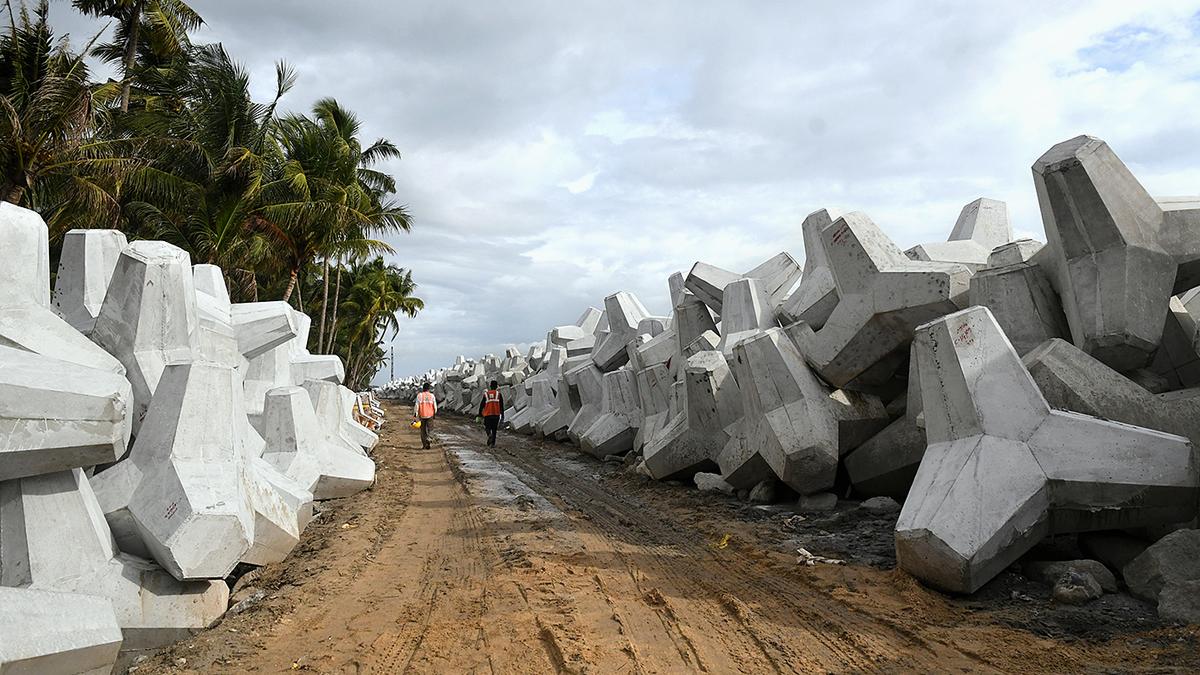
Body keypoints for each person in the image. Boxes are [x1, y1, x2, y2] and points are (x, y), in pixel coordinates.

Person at [478, 380, 504, 447]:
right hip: (496, 414)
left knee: (487, 427)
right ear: (496, 387)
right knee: (494, 429)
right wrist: (502, 415)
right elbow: (501, 406)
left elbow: (482, 405)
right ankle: (493, 443)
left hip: (488, 414)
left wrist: (480, 414)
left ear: (490, 386)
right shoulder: (499, 394)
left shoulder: (486, 394)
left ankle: (489, 435)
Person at [414, 382, 437, 449]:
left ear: (423, 388)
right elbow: (435, 406)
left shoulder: (419, 395)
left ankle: (424, 445)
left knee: (423, 430)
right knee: (430, 429)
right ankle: (429, 439)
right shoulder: (432, 396)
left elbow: (416, 406)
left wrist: (415, 414)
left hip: (422, 415)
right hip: (430, 415)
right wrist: (434, 413)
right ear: (429, 388)